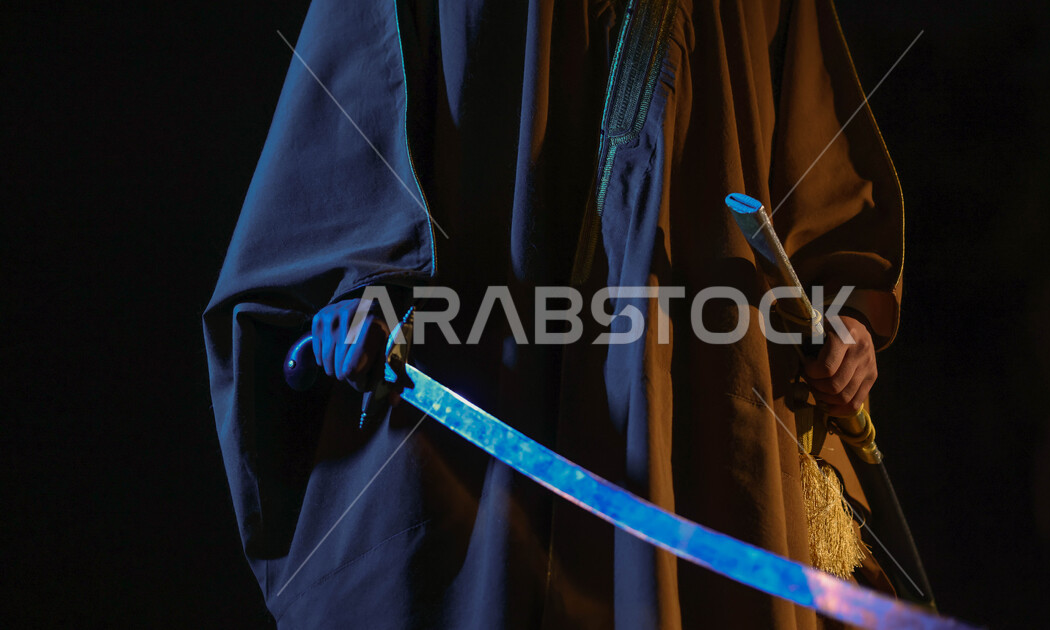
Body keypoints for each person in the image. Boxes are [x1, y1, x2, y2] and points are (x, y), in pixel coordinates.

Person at [204, 0, 905, 627]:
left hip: (700, 398)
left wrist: (844, 320)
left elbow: (822, 175)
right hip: (478, 389)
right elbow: (351, 115)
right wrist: (356, 288)